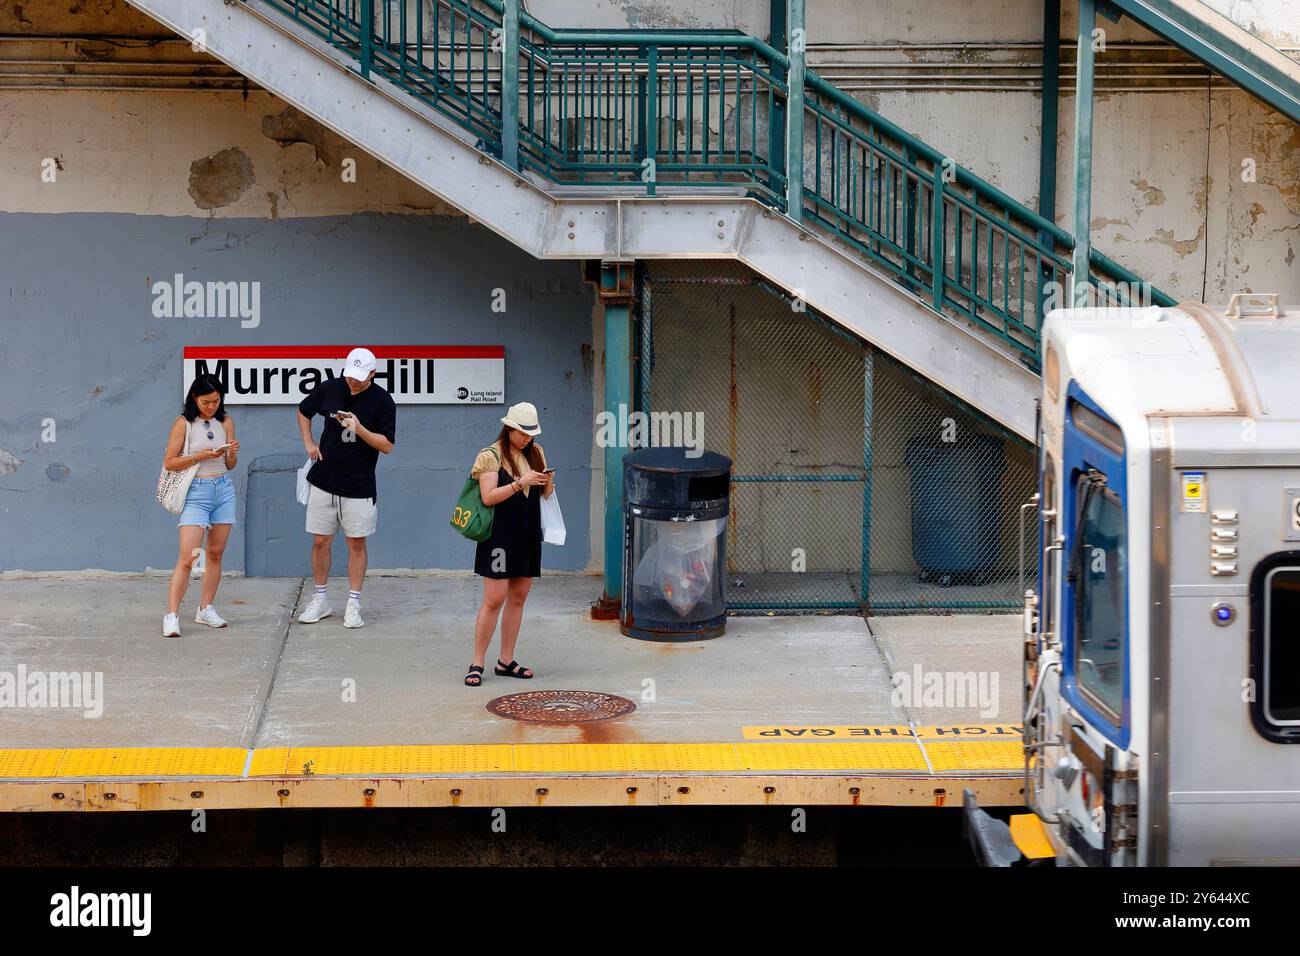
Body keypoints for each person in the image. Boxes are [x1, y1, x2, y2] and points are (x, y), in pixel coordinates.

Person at [295, 347, 396, 628]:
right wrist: (308, 443)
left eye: (360, 378)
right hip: (324, 479)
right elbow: (304, 411)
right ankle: (321, 599)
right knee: (320, 540)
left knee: (356, 544)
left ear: (373, 374)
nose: (353, 382)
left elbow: (387, 446)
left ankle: (353, 603)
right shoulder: (331, 388)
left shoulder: (383, 402)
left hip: (359, 484)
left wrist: (360, 428)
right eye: (350, 376)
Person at [464, 401, 554, 686]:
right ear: (509, 428)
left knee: (519, 596)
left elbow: (545, 495)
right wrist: (520, 481)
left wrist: (547, 481)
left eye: (531, 433)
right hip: (500, 534)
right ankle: (477, 662)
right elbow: (488, 497)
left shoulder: (537, 452)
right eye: (521, 432)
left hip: (527, 531)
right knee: (494, 598)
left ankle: (506, 660)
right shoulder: (490, 455)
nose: (527, 438)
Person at [161, 374, 240, 638]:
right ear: (195, 398)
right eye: (206, 402)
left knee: (215, 553)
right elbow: (170, 462)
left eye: (216, 401)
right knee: (188, 557)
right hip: (196, 491)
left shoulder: (226, 421)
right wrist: (199, 457)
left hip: (223, 490)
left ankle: (206, 608)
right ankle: (171, 614)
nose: (212, 406)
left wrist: (231, 453)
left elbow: (230, 466)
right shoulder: (183, 423)